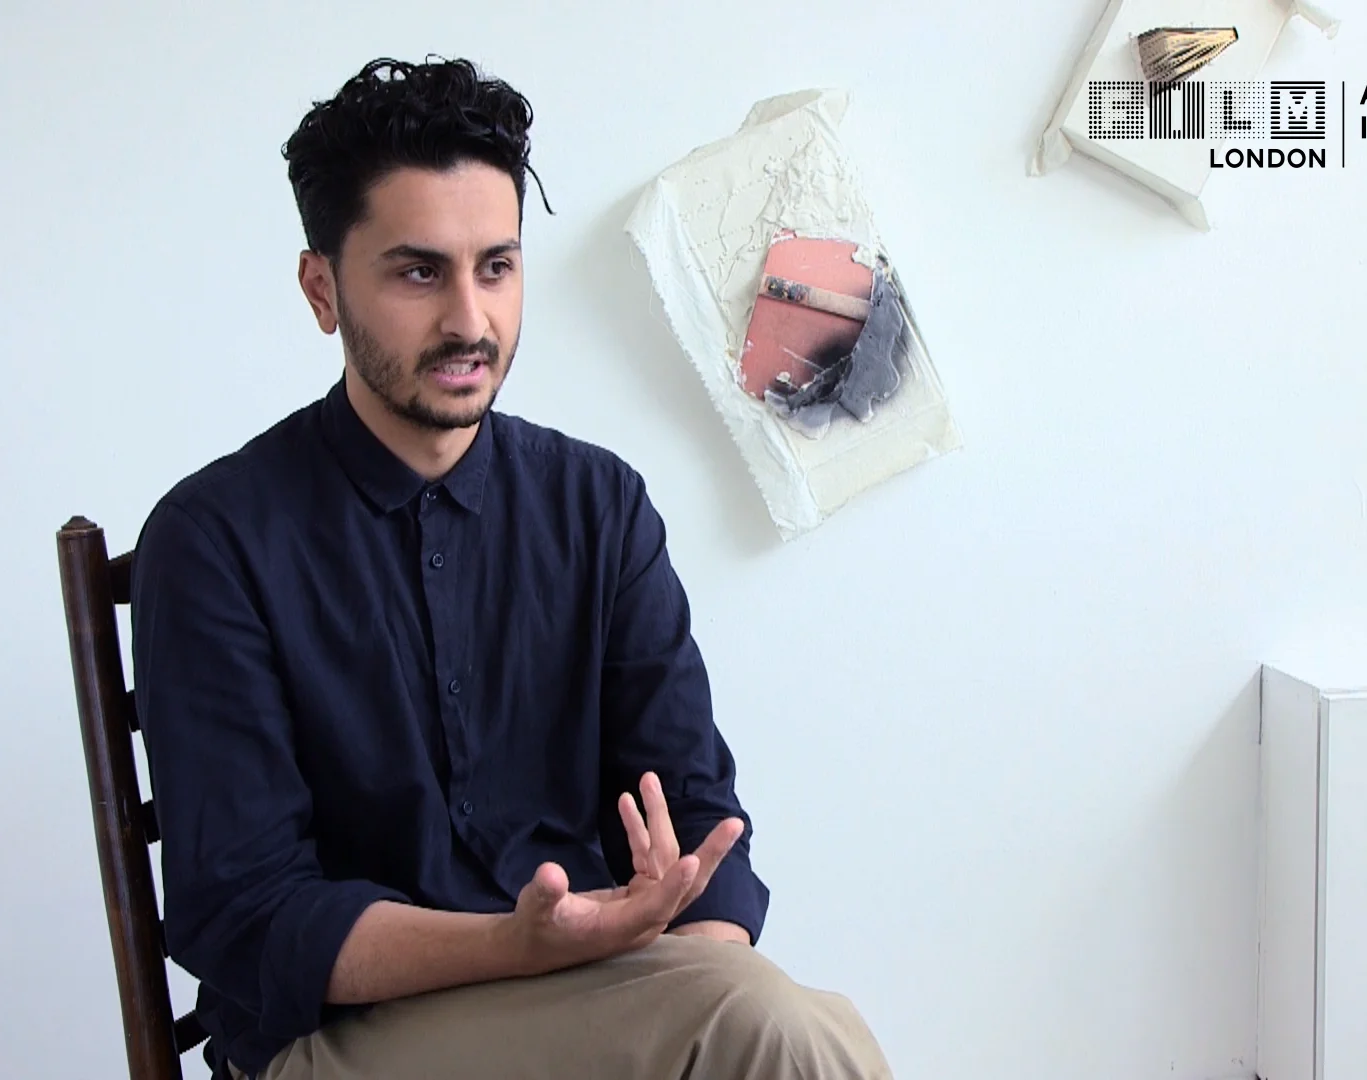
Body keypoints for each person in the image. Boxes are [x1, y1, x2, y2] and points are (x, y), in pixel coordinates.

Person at [129, 57, 892, 1080]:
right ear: (322, 289)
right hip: (340, 1039)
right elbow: (245, 908)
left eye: (496, 267)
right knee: (773, 1029)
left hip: (585, 1000)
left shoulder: (597, 505)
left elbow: (695, 812)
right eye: (417, 273)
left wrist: (698, 967)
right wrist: (524, 948)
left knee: (767, 1015)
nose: (469, 320)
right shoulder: (216, 539)